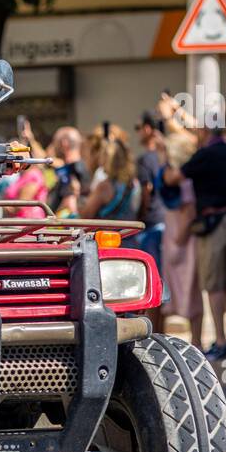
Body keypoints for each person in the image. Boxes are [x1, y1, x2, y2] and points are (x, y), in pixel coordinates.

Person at [162, 114, 226, 360]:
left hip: (213, 223)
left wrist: (167, 165)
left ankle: (221, 340)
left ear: (205, 130)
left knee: (213, 284)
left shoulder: (204, 155)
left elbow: (174, 178)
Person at [159, 133, 202, 346]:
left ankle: (197, 340)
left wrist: (178, 240)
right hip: (175, 236)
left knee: (190, 290)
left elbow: (189, 210)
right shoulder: (177, 176)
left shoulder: (185, 179)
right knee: (175, 289)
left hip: (183, 240)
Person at [78, 124, 139, 221]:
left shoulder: (105, 186)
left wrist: (77, 198)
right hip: (129, 233)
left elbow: (86, 214)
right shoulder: (133, 183)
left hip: (109, 233)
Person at [133, 110, 167, 269]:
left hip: (152, 223)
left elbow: (146, 190)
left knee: (153, 272)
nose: (137, 132)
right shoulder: (167, 156)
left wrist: (139, 217)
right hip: (169, 220)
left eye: (138, 127)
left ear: (147, 129)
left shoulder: (144, 159)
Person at [47, 126, 88, 215]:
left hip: (68, 225)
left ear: (64, 143)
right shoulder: (83, 167)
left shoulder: (72, 170)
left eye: (55, 143)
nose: (53, 146)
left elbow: (70, 204)